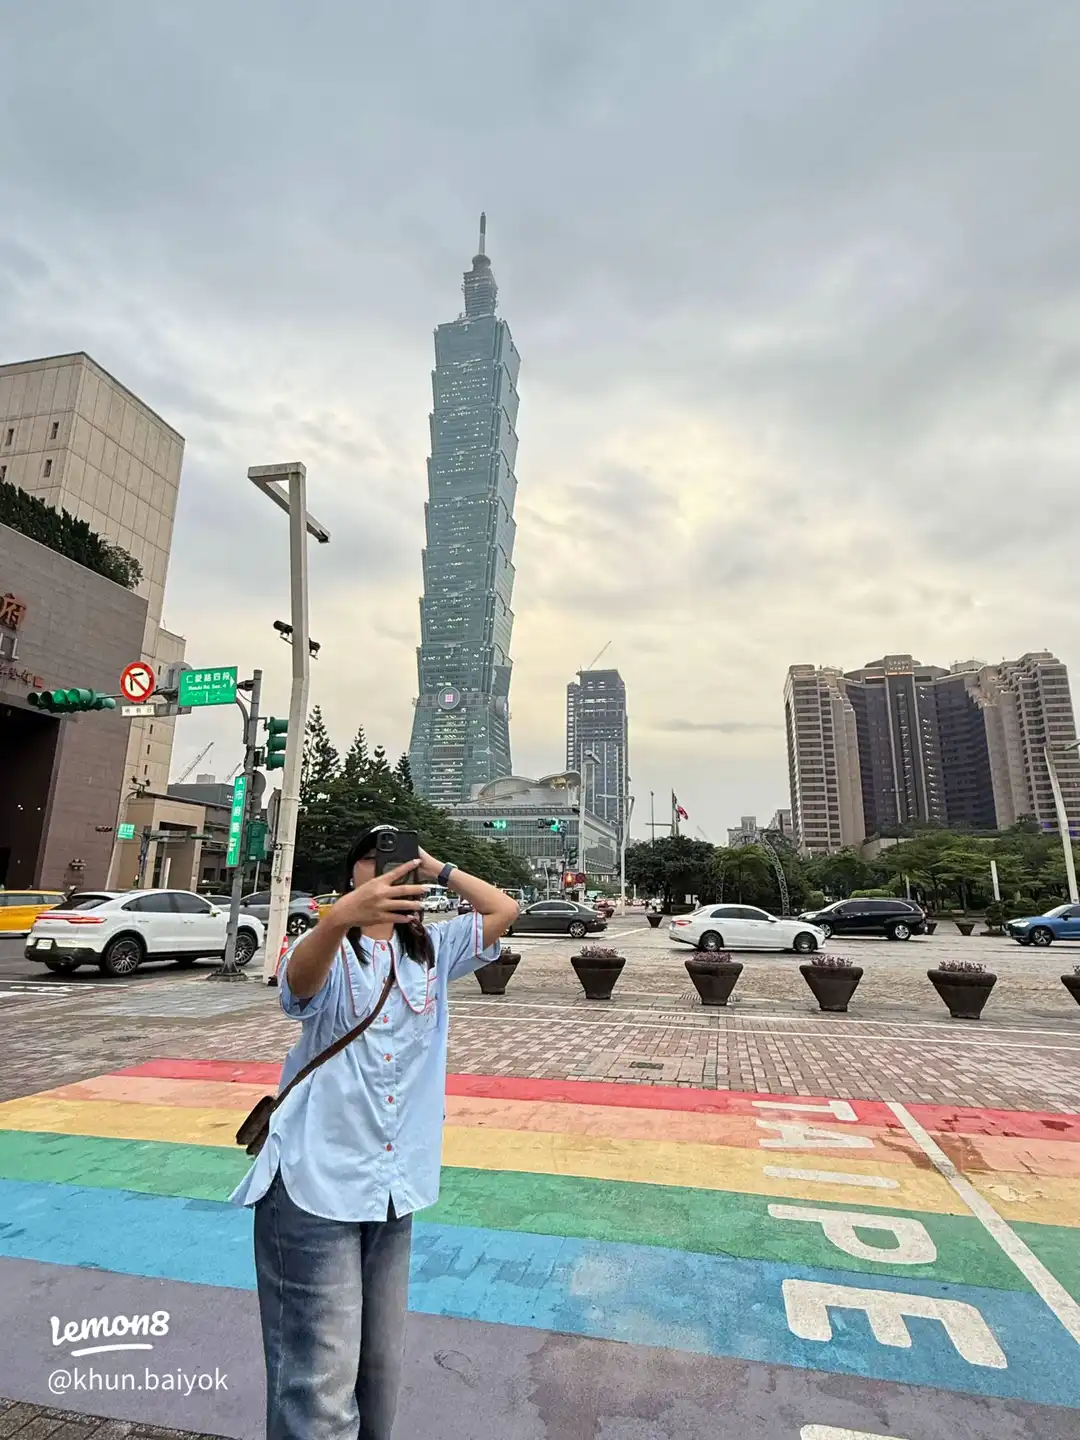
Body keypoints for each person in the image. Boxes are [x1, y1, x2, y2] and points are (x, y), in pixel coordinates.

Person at [231, 825, 518, 1440]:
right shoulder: (331, 946)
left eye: (399, 860)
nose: (387, 868)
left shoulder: (434, 950)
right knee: (318, 1383)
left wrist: (438, 868)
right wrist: (337, 919)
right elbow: (298, 988)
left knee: (380, 1369)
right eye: (372, 859)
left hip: (394, 1184)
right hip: (315, 1181)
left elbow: (503, 909)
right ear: (350, 876)